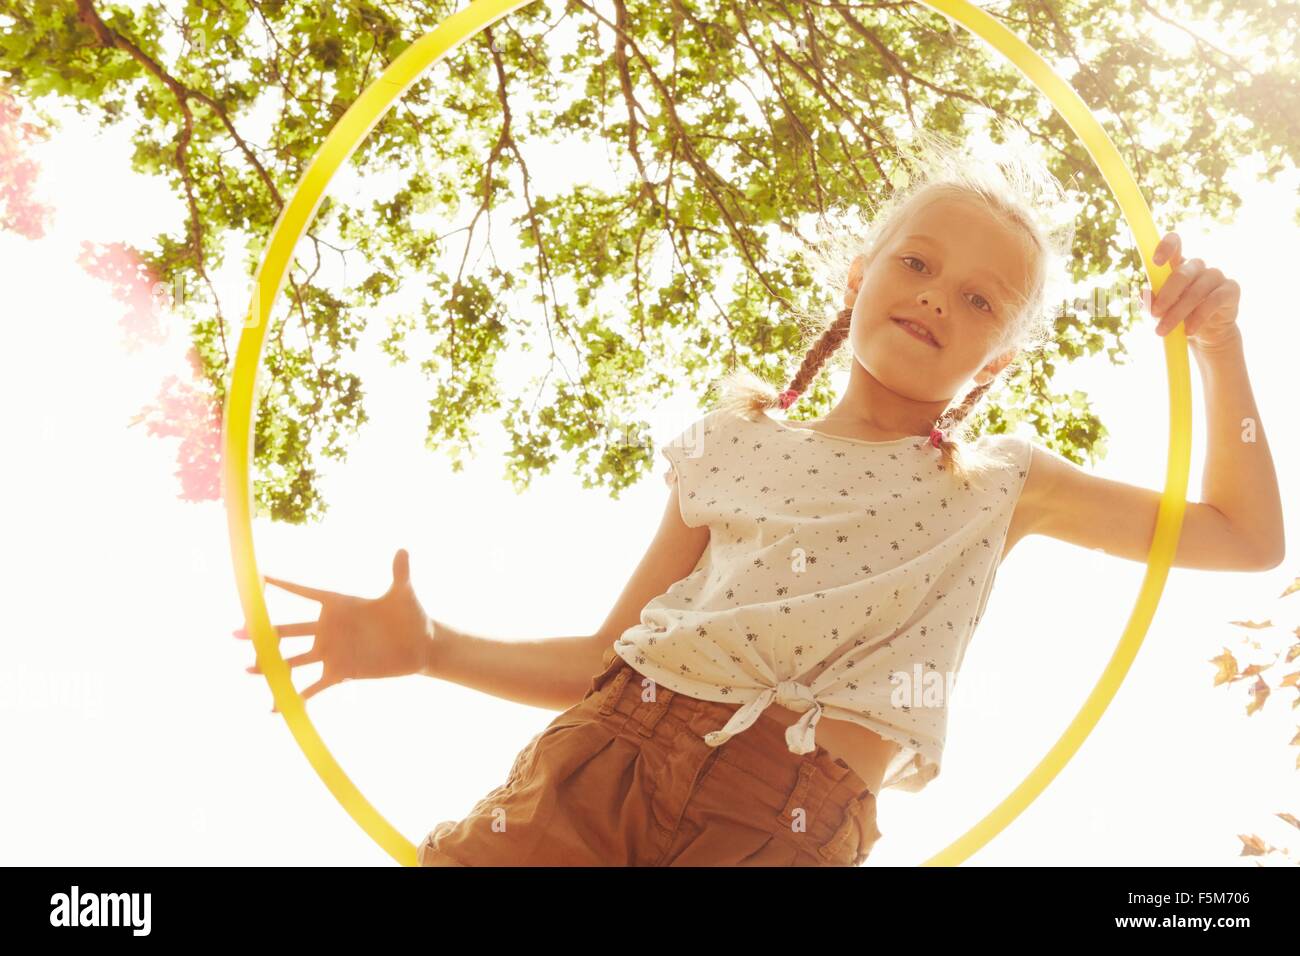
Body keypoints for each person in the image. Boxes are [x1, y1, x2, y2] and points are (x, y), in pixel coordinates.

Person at [237, 128, 1283, 866]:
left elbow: (1243, 535)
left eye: (977, 300)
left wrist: (1217, 347)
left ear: (996, 364)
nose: (934, 295)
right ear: (857, 278)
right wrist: (434, 648)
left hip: (782, 816)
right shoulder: (730, 443)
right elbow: (604, 659)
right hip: (601, 760)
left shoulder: (999, 483)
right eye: (916, 262)